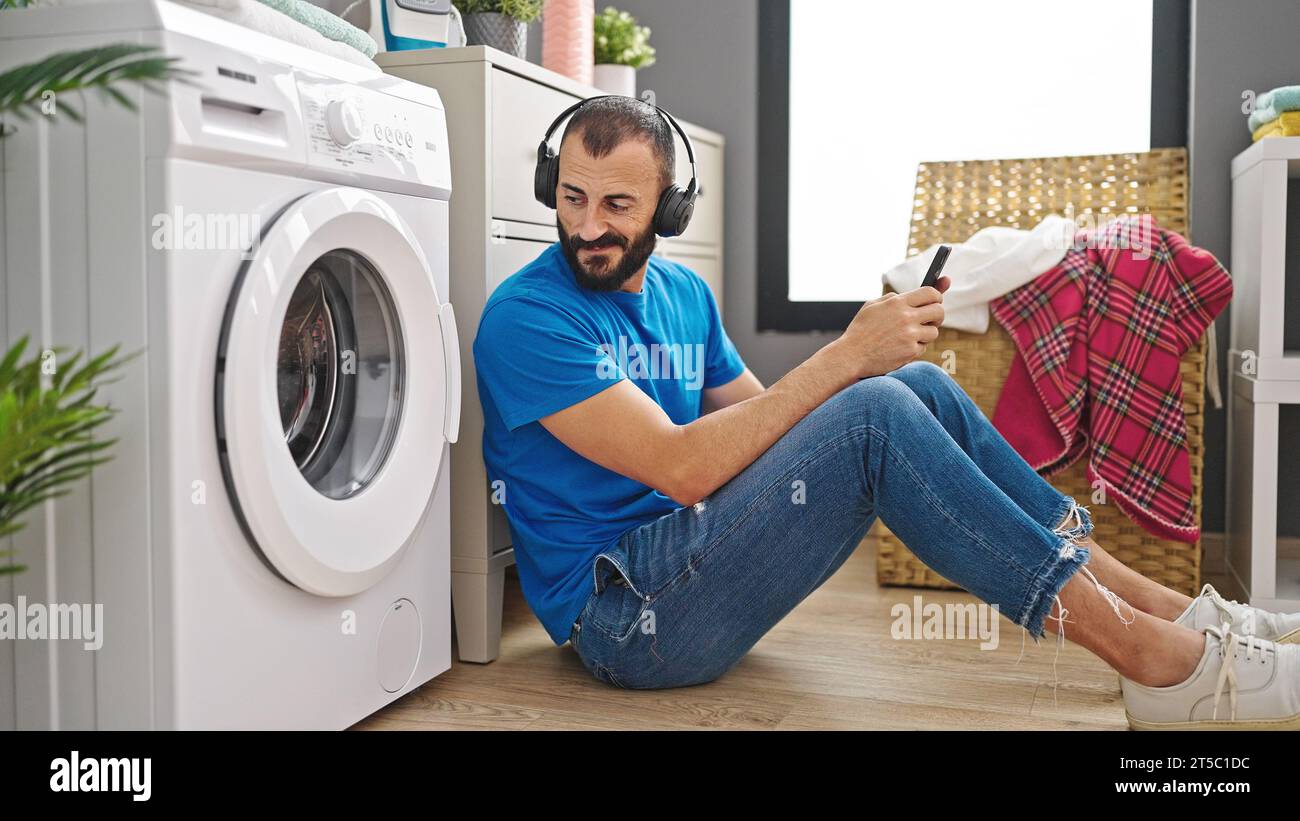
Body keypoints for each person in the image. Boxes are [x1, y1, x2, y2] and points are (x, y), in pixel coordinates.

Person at [472, 95, 1300, 730]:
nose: (587, 227)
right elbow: (681, 466)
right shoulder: (526, 319)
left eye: (617, 205)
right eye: (572, 197)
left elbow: (771, 429)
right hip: (627, 617)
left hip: (693, 562)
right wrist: (848, 356)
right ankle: (1153, 659)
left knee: (916, 390)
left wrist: (875, 353)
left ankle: (1161, 609)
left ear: (668, 209)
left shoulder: (684, 292)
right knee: (872, 406)